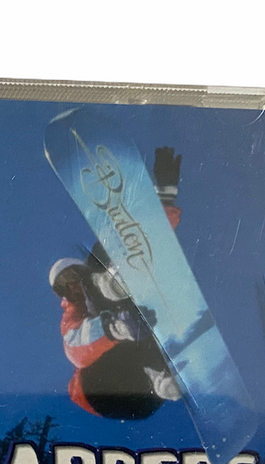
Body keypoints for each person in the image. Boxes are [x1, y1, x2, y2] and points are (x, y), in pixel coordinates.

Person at [50, 147, 185, 420]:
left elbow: (145, 243)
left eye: (74, 277)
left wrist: (165, 195)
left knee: (139, 305)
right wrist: (114, 328)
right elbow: (75, 351)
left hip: (144, 398)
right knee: (100, 265)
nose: (74, 286)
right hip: (101, 389)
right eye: (66, 287)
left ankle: (160, 379)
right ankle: (114, 285)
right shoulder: (72, 318)